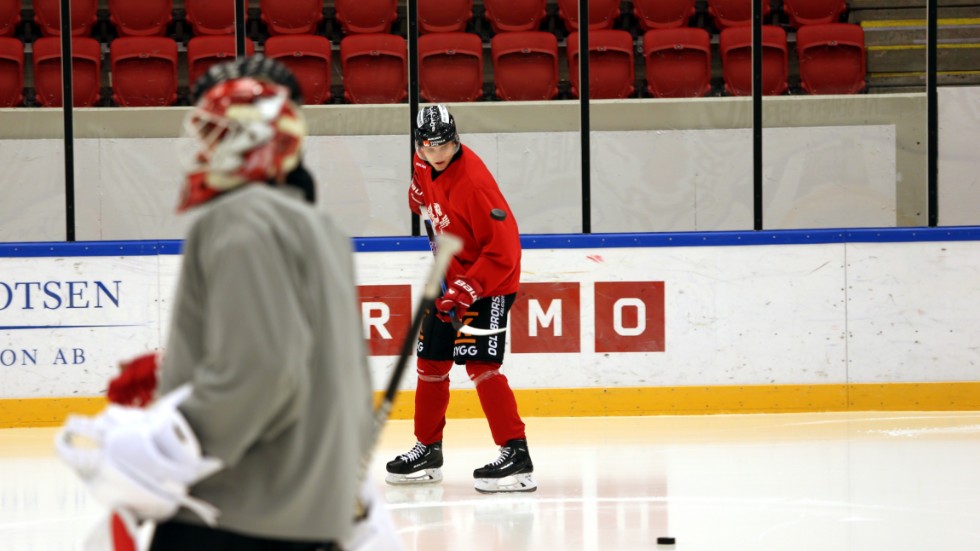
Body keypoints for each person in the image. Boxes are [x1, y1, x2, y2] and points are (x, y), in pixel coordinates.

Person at [57, 56, 389, 551]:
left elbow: (262, 369)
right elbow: (323, 371)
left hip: (232, 515)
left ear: (249, 141)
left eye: (216, 133)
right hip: (314, 517)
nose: (203, 148)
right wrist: (184, 377)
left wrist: (166, 438)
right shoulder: (323, 231)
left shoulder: (236, 219)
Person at [385, 104, 537, 494]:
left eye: (444, 144)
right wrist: (413, 195)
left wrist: (468, 289)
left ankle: (516, 454)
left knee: (481, 366)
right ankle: (428, 450)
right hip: (449, 278)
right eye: (429, 146)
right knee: (431, 362)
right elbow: (424, 203)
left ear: (455, 138)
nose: (437, 152)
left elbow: (505, 251)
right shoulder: (421, 165)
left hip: (488, 282)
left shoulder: (474, 183)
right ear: (419, 146)